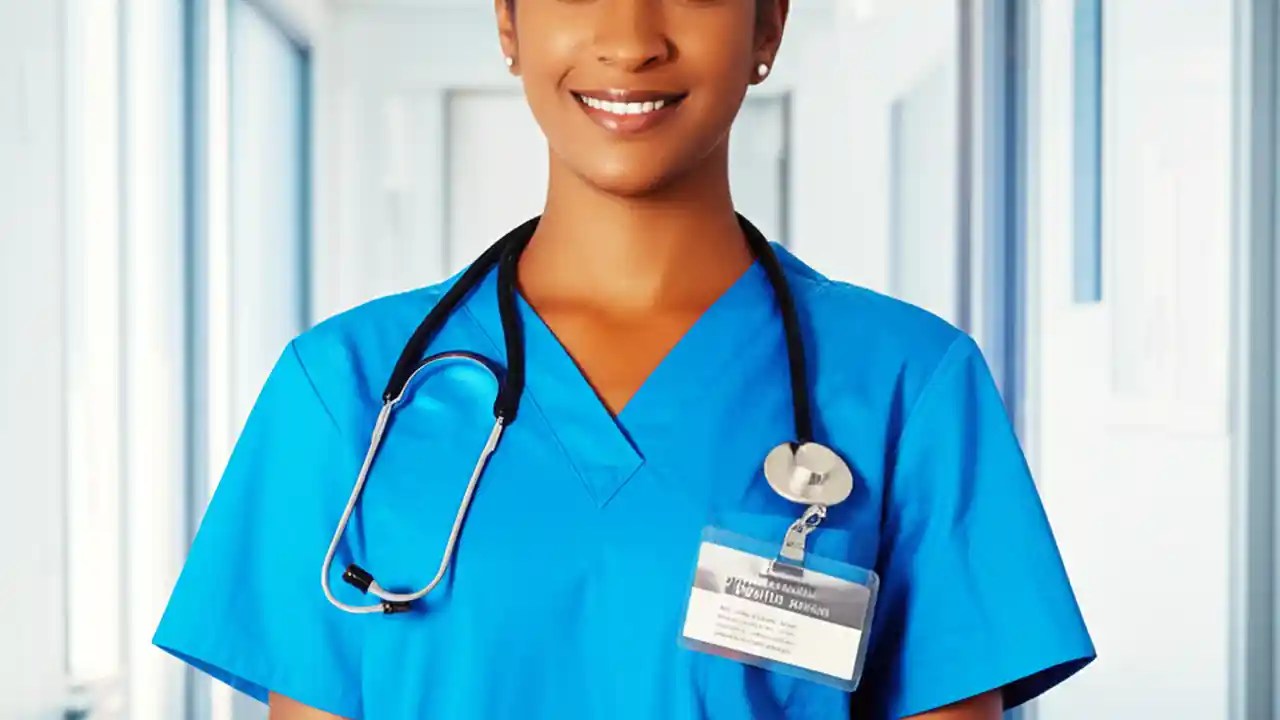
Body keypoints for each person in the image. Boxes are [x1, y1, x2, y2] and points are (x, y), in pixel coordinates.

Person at [153, 0, 1095, 717]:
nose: (630, 36)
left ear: (769, 22)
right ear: (508, 22)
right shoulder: (345, 391)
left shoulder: (909, 388)